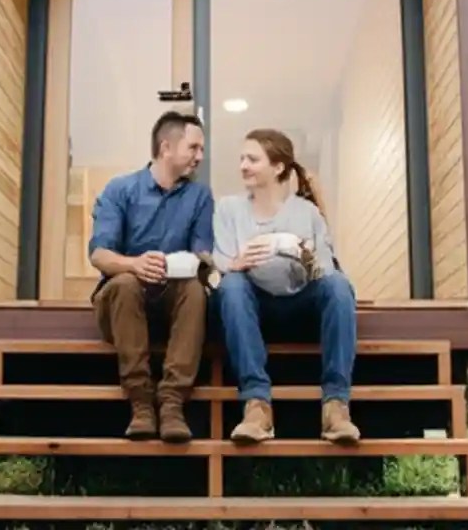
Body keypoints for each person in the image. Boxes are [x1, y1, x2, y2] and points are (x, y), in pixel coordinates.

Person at [211, 128, 360, 445]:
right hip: (252, 307)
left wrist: (296, 249)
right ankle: (257, 406)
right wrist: (236, 263)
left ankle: (336, 406)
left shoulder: (307, 213)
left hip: (300, 305)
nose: (243, 166)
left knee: (339, 286)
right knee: (232, 286)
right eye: (242, 159)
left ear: (278, 167)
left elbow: (323, 272)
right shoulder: (228, 209)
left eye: (252, 159)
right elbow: (221, 263)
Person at [88, 110, 214, 444]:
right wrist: (135, 264)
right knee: (126, 283)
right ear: (166, 147)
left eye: (202, 149)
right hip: (123, 306)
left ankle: (172, 404)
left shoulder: (200, 197)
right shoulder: (120, 189)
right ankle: (141, 404)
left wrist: (197, 262)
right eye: (194, 148)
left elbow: (204, 255)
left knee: (194, 289)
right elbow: (99, 254)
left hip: (173, 305)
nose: (200, 156)